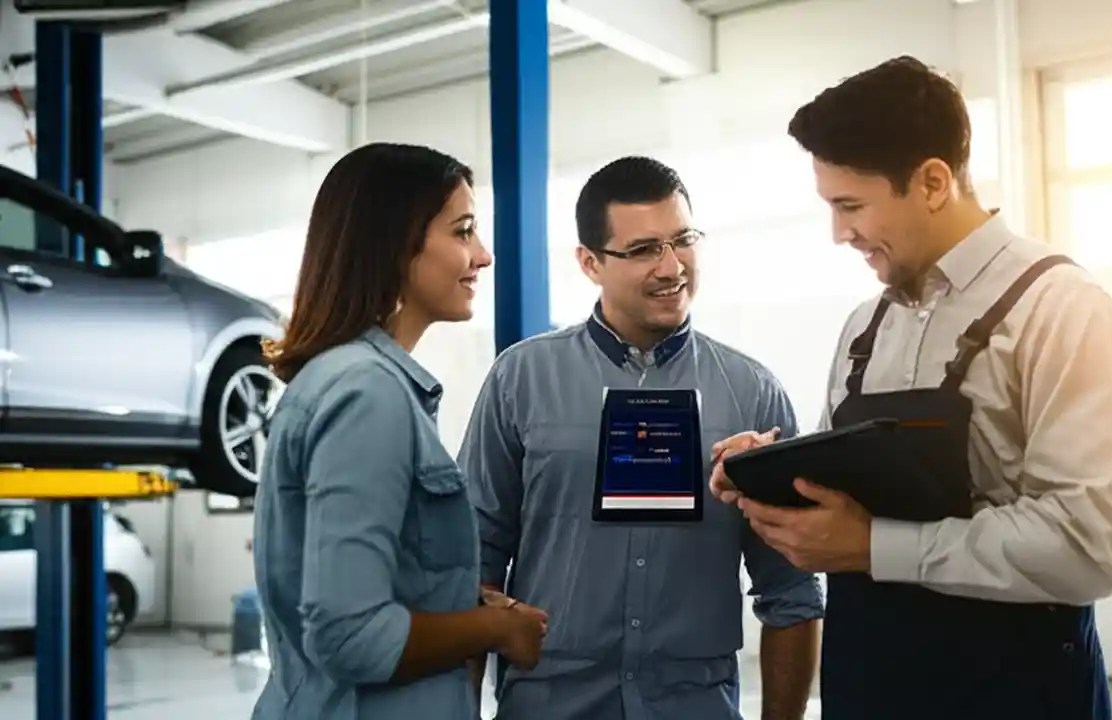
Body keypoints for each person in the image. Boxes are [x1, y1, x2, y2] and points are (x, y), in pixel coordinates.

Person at [710, 56, 1112, 719]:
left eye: (851, 206)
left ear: (933, 182)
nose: (839, 233)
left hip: (1016, 695)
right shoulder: (865, 328)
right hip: (869, 688)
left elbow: (1090, 548)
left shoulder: (1064, 311)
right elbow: (850, 495)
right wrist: (771, 476)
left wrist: (873, 546)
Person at [458, 156, 824, 720]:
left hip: (695, 705)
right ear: (590, 262)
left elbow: (792, 591)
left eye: (683, 241)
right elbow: (472, 561)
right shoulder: (521, 379)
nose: (671, 266)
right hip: (550, 704)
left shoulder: (752, 392)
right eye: (644, 249)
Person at [250, 142, 548, 720]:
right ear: (394, 243)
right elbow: (349, 635)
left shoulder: (343, 380)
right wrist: (494, 629)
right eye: (463, 232)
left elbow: (363, 584)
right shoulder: (368, 394)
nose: (483, 256)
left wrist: (464, 601)